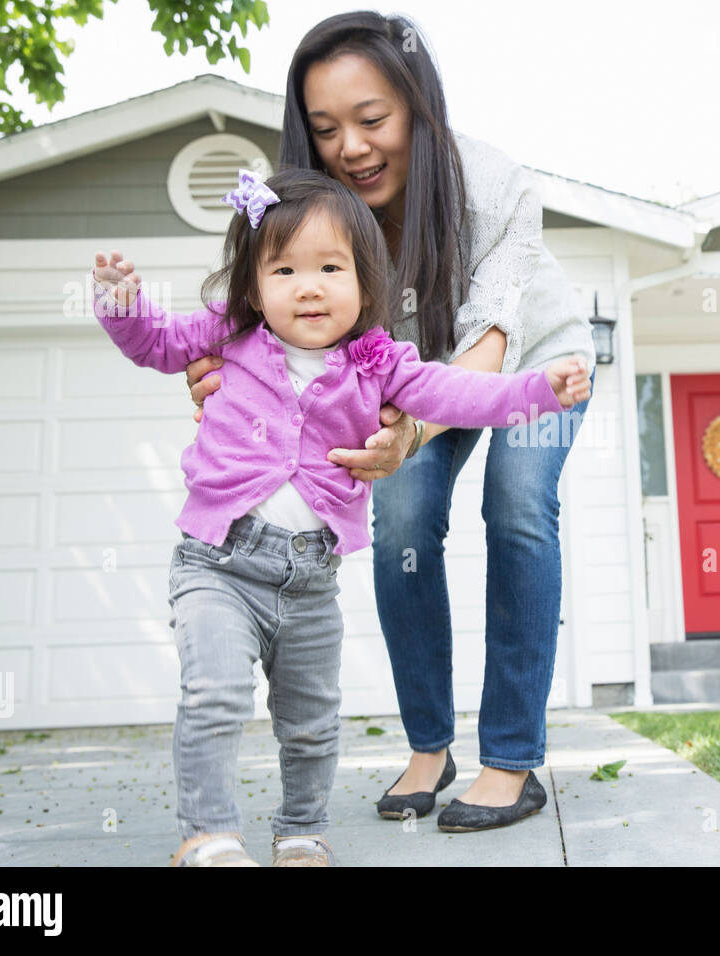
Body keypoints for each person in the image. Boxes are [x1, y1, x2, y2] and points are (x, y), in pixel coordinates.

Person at [91, 167, 591, 866]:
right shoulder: (231, 334)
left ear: (365, 282)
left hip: (308, 581)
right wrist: (121, 305)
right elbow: (156, 343)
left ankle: (301, 831)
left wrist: (537, 390)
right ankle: (207, 834)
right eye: (285, 268)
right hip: (218, 564)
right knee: (215, 694)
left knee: (311, 723)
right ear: (255, 284)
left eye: (331, 266)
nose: (309, 285)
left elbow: (458, 395)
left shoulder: (380, 362)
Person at [185, 12, 597, 832]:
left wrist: (408, 432)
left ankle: (512, 759)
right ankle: (430, 746)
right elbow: (254, 312)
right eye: (327, 128)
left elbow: (489, 343)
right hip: (400, 384)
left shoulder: (494, 185)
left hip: (529, 365)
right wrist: (221, 369)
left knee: (517, 507)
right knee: (404, 512)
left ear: (417, 105)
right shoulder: (309, 205)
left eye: (373, 120)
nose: (353, 148)